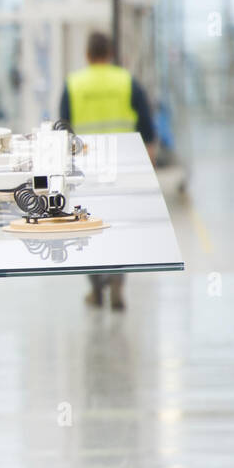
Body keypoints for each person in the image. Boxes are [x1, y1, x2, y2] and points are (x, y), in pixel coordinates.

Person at [59, 32, 157, 311]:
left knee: (88, 228)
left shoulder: (74, 84)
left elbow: (62, 130)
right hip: (122, 168)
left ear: (87, 55)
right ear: (110, 54)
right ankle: (117, 281)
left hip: (86, 170)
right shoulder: (127, 82)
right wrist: (148, 159)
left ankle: (95, 289)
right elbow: (147, 125)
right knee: (119, 227)